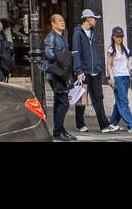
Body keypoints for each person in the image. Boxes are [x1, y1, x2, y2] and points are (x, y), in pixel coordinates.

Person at [72, 9, 108, 132]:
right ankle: (80, 124)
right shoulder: (77, 33)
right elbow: (76, 53)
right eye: (94, 18)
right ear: (88, 18)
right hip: (83, 72)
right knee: (82, 99)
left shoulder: (93, 32)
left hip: (95, 71)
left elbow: (96, 51)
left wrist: (99, 66)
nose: (96, 20)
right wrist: (78, 71)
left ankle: (104, 125)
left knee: (98, 97)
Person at [42, 13, 76, 141]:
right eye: (59, 21)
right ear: (53, 24)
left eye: (63, 20)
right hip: (56, 73)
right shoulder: (51, 37)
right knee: (63, 103)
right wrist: (64, 55)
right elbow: (49, 54)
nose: (63, 22)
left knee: (59, 102)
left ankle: (60, 130)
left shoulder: (62, 36)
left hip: (62, 72)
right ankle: (57, 132)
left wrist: (68, 54)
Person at [103, 26, 132, 134]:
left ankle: (112, 124)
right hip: (117, 78)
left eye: (121, 36)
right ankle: (131, 125)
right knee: (123, 101)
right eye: (117, 36)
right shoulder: (111, 50)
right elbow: (109, 65)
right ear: (113, 37)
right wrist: (111, 78)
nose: (119, 38)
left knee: (119, 101)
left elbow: (127, 63)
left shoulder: (125, 49)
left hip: (126, 77)